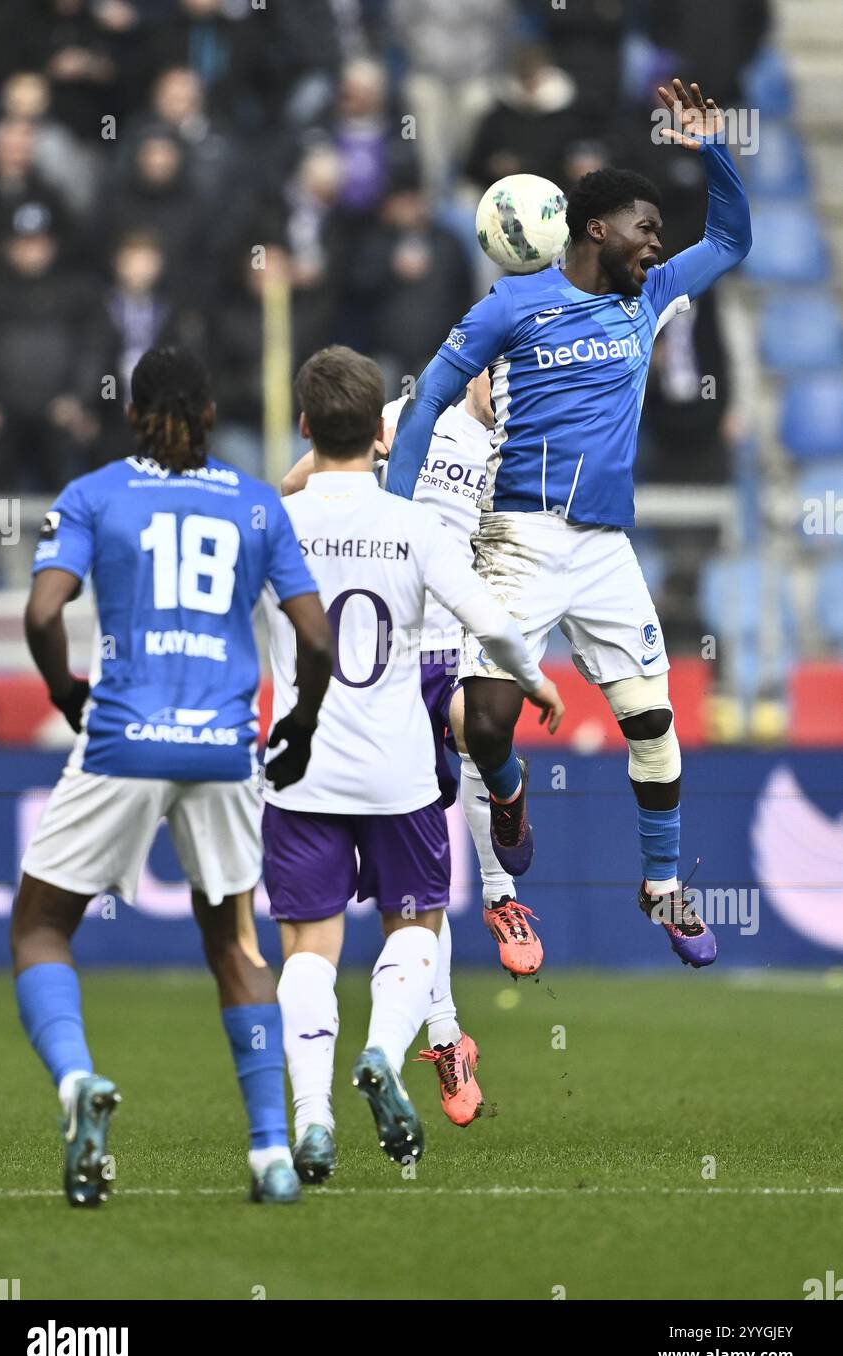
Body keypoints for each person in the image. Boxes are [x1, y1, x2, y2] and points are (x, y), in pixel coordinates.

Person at [385, 81, 753, 968]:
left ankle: (663, 888)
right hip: (516, 538)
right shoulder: (513, 305)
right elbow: (434, 394)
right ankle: (508, 797)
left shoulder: (654, 293)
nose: (656, 243)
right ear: (597, 230)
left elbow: (735, 239)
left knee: (653, 728)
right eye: (645, 228)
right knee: (484, 726)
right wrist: (394, 517)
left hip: (605, 551)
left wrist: (710, 148)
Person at [11, 346, 333, 1208]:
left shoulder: (95, 494)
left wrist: (65, 692)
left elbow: (43, 612)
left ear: (132, 415)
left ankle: (79, 1081)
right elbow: (317, 639)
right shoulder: (258, 504)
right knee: (233, 943)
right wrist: (296, 727)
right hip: (224, 747)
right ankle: (270, 1153)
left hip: (121, 738)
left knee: (41, 930)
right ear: (211, 414)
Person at [263, 346, 563, 1182]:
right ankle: (423, 1044)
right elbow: (495, 622)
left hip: (336, 735)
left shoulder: (276, 527)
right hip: (403, 700)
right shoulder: (411, 475)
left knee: (310, 948)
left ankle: (314, 1113)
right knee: (418, 916)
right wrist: (540, 681)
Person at [282, 373, 547, 981]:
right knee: (416, 854)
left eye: (515, 370)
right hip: (388, 650)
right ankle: (446, 1035)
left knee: (480, 730)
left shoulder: (525, 447)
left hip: (459, 635)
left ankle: (501, 896)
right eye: (493, 367)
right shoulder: (407, 417)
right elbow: (298, 481)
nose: (501, 381)